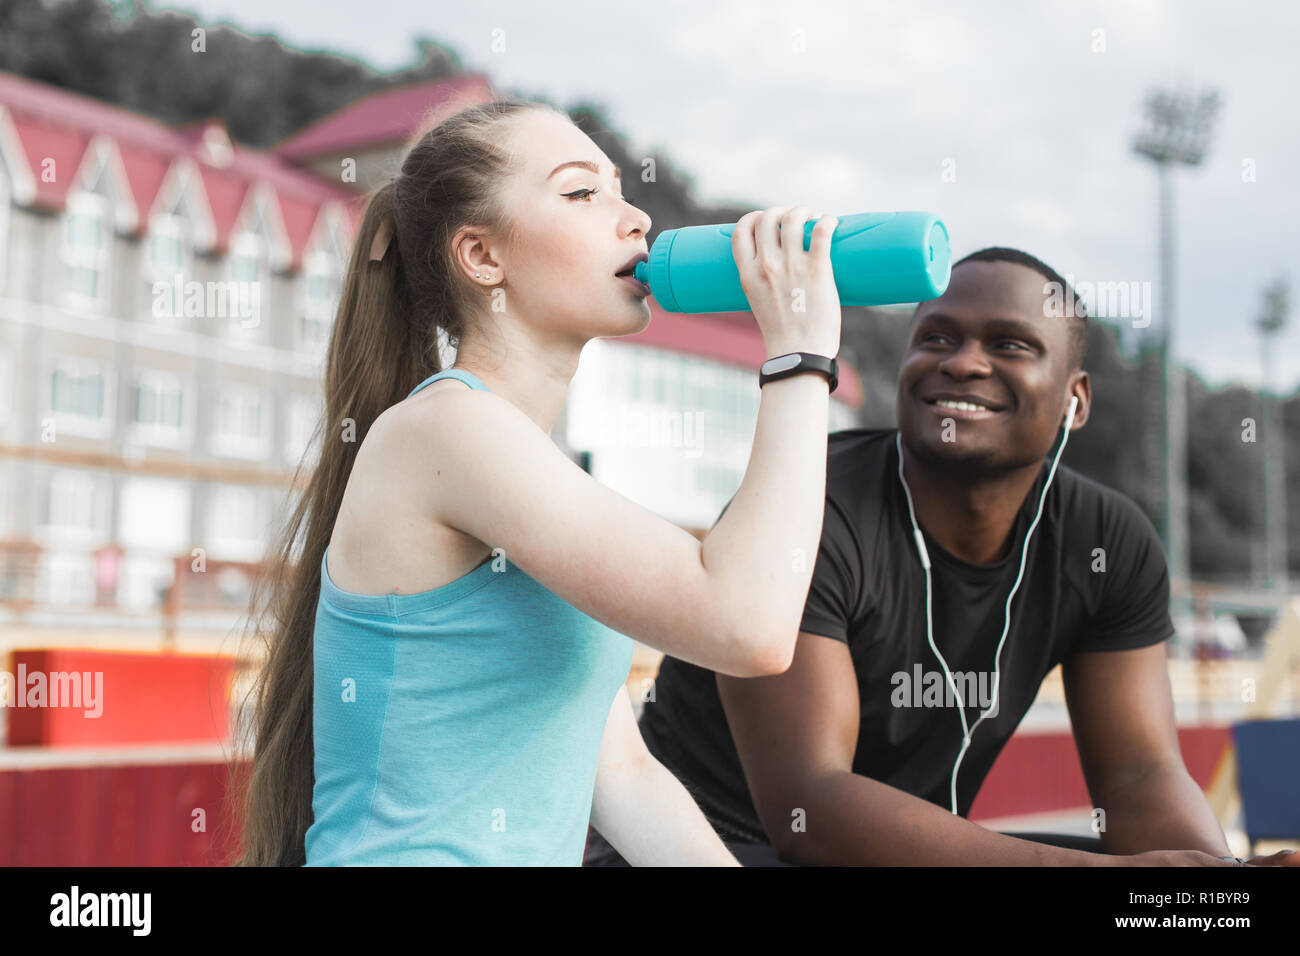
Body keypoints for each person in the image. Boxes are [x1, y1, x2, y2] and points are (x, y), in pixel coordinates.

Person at [229, 97, 845, 866]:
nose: (636, 219)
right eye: (583, 192)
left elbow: (620, 775)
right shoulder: (446, 432)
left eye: (621, 188)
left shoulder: (536, 477)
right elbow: (748, 624)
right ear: (482, 257)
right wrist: (799, 358)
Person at [584, 247, 1299, 867]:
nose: (962, 363)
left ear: (1076, 401)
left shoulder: (1107, 539)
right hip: (694, 844)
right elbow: (811, 808)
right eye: (936, 339)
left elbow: (1142, 776)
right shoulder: (806, 504)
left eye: (1010, 344)